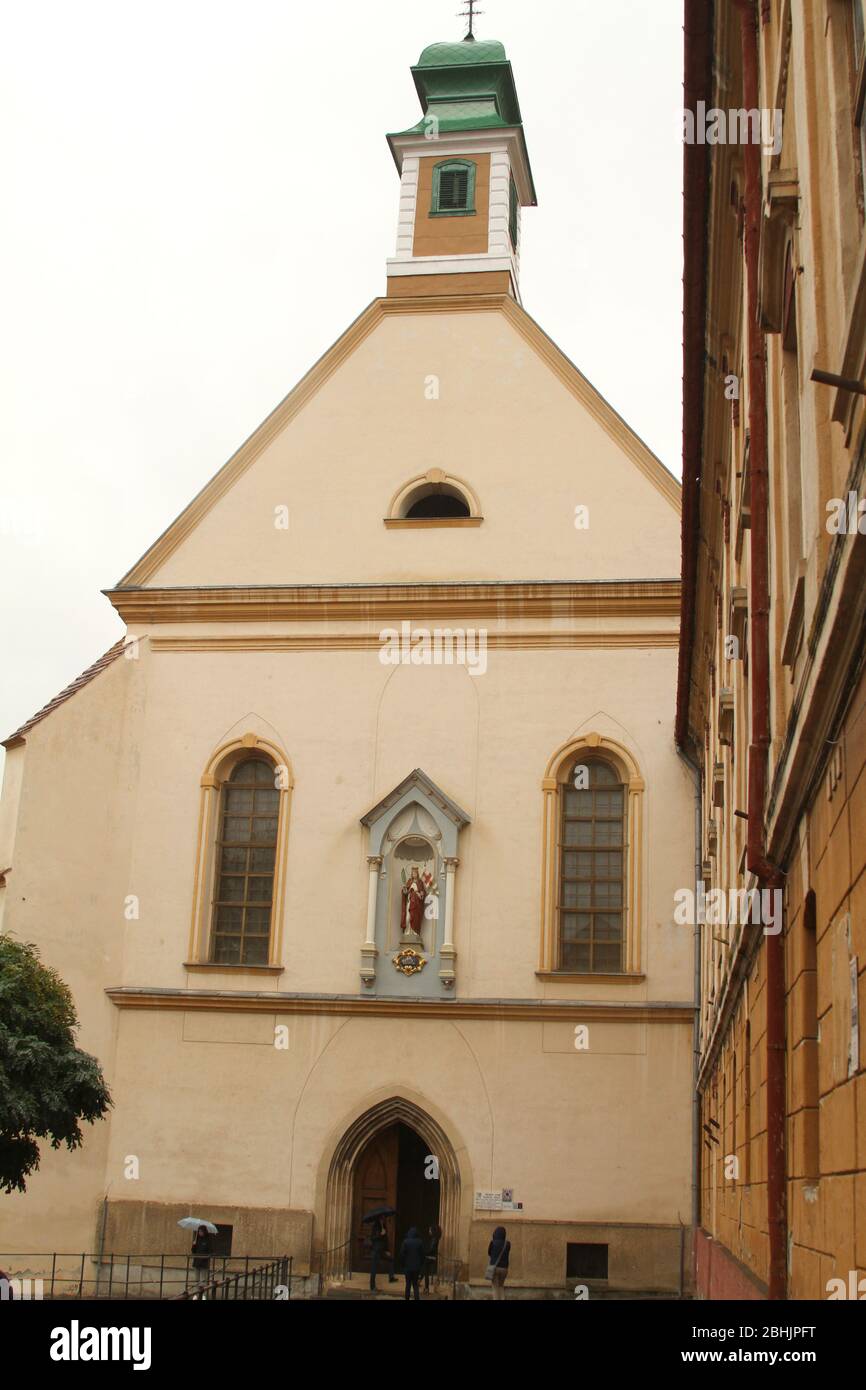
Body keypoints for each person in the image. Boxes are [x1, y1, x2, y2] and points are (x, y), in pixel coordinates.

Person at [368, 1217, 397, 1292]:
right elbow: (372, 1238)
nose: (383, 1219)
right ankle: (372, 1287)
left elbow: (385, 1239)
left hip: (382, 1250)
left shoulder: (384, 1225)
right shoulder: (375, 1226)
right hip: (376, 1250)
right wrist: (380, 1234)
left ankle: (391, 1277)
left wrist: (387, 1250)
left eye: (383, 1217)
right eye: (381, 1218)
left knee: (391, 1259)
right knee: (374, 1269)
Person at [399, 1226, 426, 1301]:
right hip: (416, 1268)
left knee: (408, 1284)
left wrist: (402, 1264)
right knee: (415, 1285)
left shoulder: (405, 1242)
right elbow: (422, 1255)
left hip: (407, 1267)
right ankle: (417, 1298)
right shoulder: (419, 1242)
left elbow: (401, 1254)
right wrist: (420, 1264)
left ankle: (407, 1298)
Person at [487, 1225, 510, 1301]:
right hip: (504, 1269)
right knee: (501, 1286)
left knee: (495, 1288)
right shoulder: (507, 1244)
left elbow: (489, 1253)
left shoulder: (492, 1243)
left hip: (495, 1268)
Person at [423, 1224, 441, 1295]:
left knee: (426, 1273)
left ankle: (427, 1288)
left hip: (430, 1257)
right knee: (427, 1272)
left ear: (432, 1231)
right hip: (432, 1257)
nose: (429, 1231)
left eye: (430, 1230)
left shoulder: (434, 1239)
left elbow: (432, 1249)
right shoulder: (435, 1238)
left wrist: (425, 1253)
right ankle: (425, 1285)